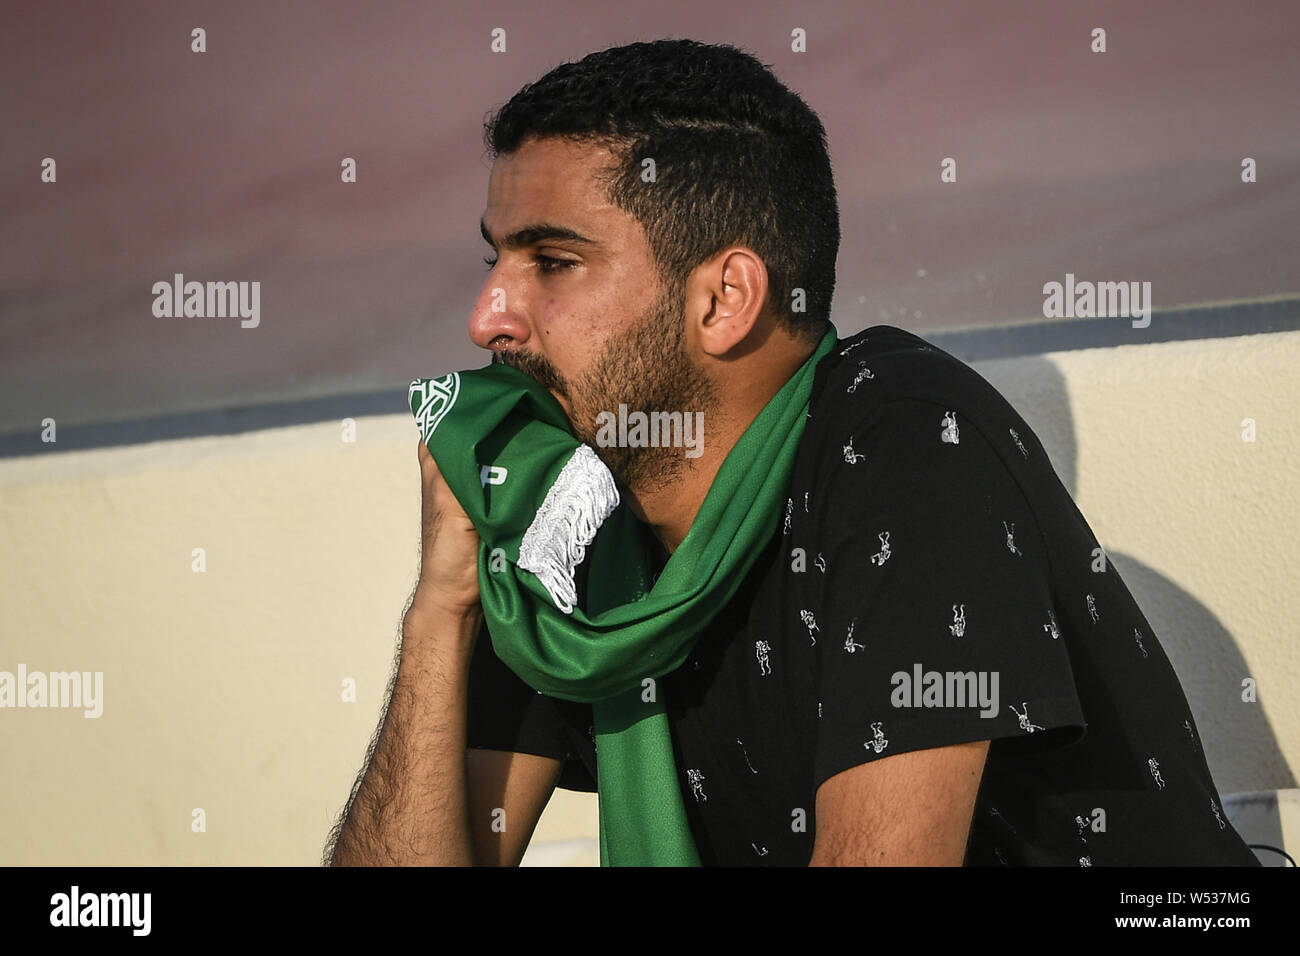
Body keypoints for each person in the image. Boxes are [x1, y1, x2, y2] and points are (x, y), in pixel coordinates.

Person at [325, 38, 1260, 866]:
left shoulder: (908, 444)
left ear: (725, 299)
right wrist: (440, 607)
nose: (487, 316)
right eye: (494, 261)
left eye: (552, 263)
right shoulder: (569, 533)